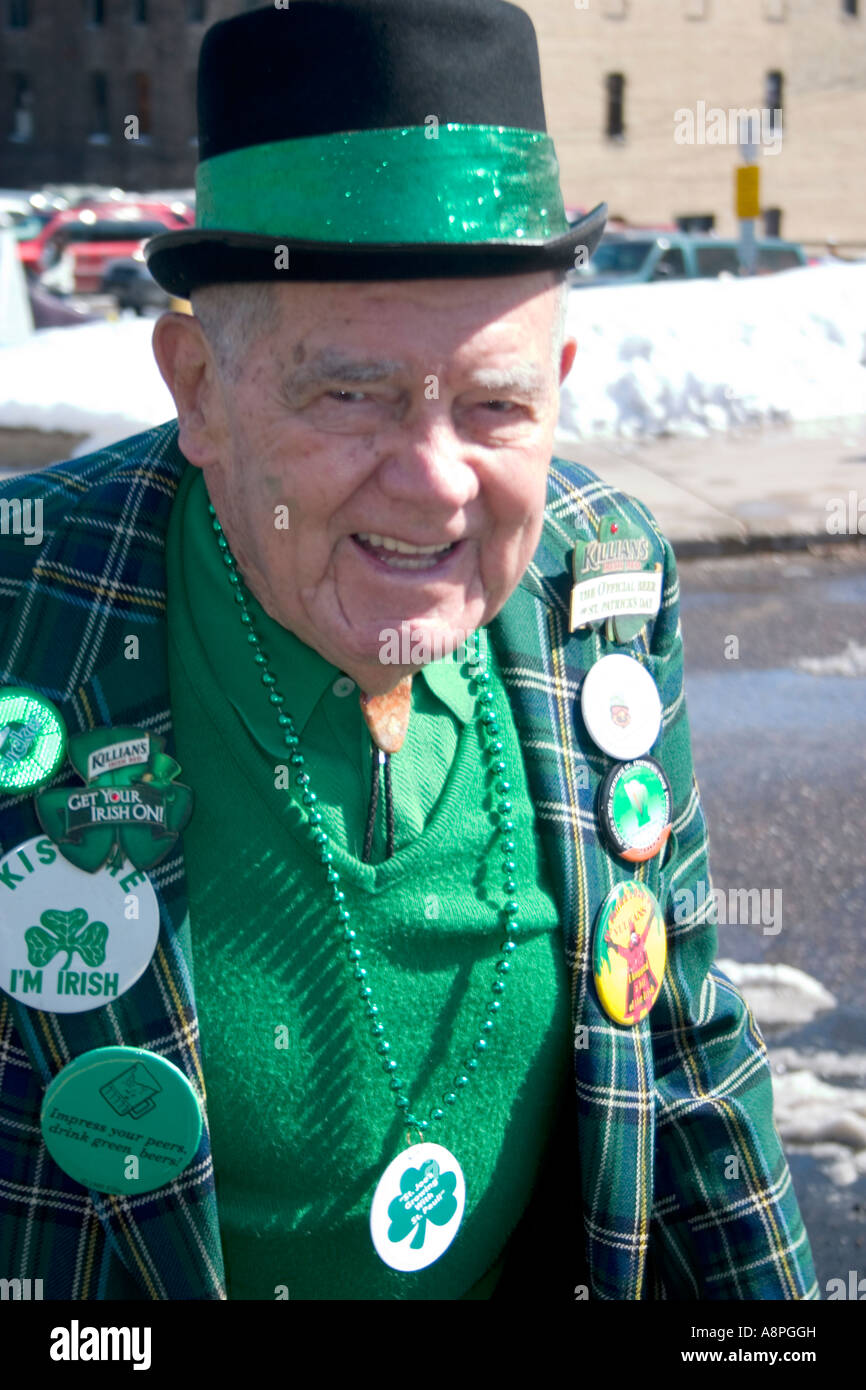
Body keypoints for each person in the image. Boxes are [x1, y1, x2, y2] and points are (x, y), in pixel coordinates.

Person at [0, 0, 816, 1301]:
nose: (437, 483)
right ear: (200, 387)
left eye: (496, 403)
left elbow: (679, 1045)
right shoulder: (23, 600)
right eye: (350, 395)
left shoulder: (604, 576)